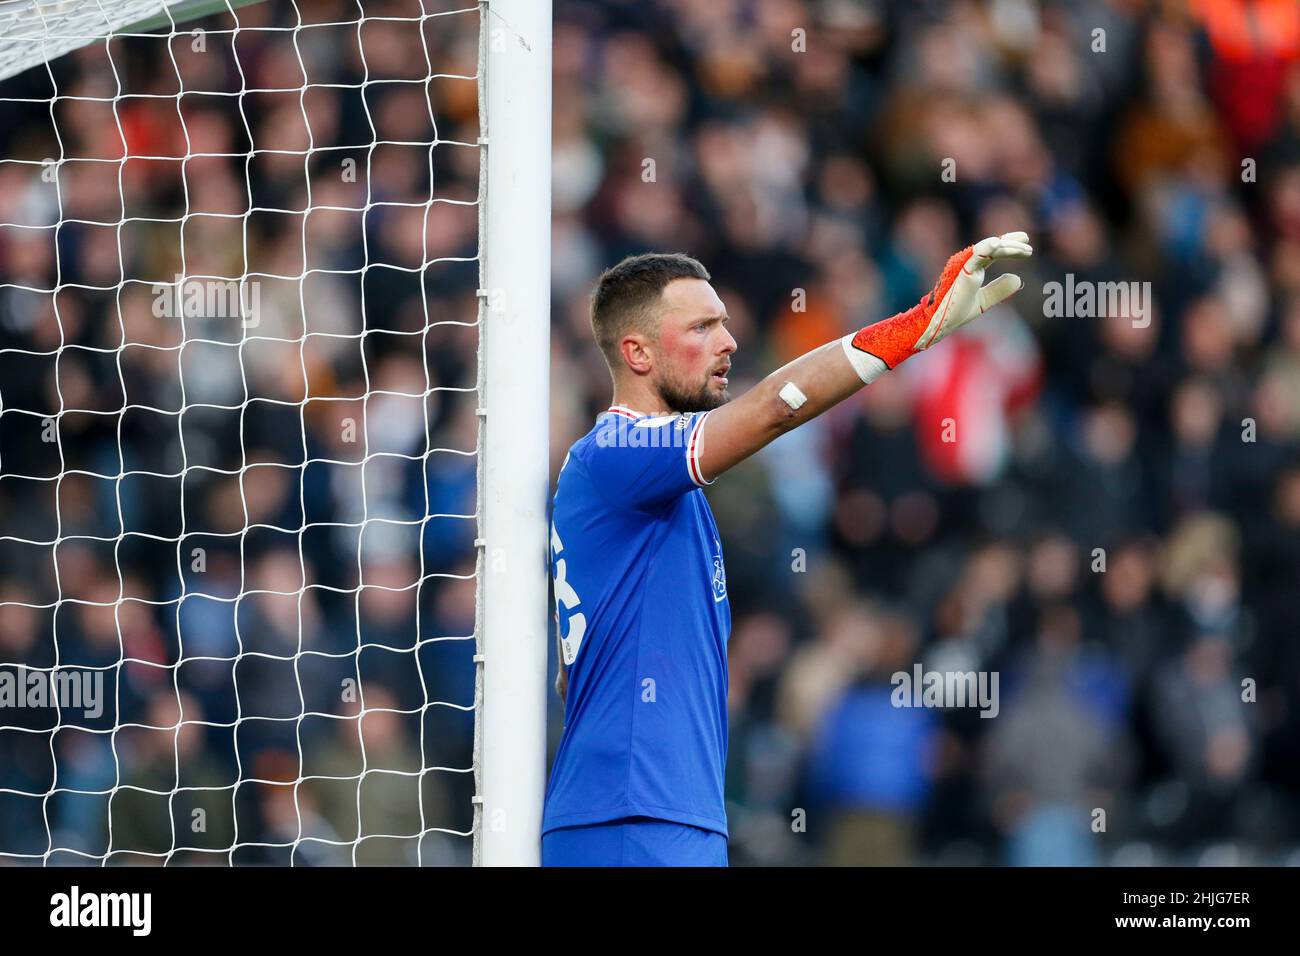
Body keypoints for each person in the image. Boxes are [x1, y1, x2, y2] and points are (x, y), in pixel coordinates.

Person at [541, 234, 1034, 866]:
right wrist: (919, 325)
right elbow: (775, 407)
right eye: (702, 327)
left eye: (725, 323)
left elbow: (569, 675)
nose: (729, 341)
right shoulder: (616, 455)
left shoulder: (653, 491)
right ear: (636, 352)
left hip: (658, 811)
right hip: (634, 813)